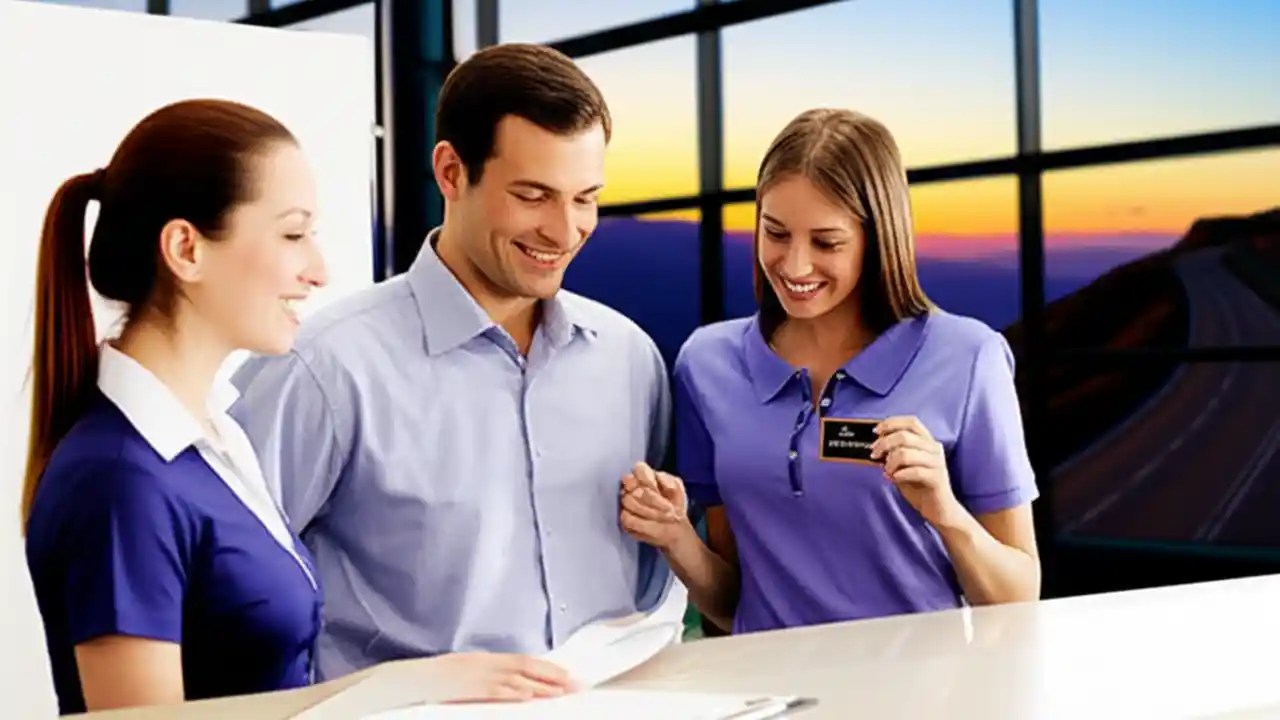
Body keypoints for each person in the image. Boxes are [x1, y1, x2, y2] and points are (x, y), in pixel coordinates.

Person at [22, 99, 572, 715]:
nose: (318, 270)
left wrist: (421, 680)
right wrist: (401, 686)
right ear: (185, 249)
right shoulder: (121, 479)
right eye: (292, 234)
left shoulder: (216, 439)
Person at [229, 42, 676, 682]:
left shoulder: (629, 358)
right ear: (450, 172)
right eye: (532, 195)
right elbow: (226, 594)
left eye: (585, 198)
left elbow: (659, 576)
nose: (564, 230)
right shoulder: (324, 368)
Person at [619, 108, 1041, 635]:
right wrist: (677, 537)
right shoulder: (707, 365)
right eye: (775, 233)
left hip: (921, 681)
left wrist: (946, 512)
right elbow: (733, 605)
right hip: (768, 681)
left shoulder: (969, 357)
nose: (795, 265)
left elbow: (1018, 598)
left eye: (826, 242)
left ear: (877, 238)